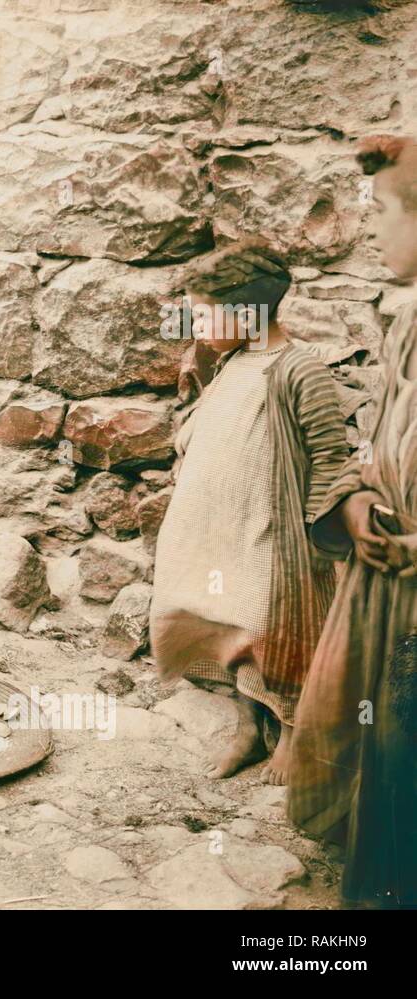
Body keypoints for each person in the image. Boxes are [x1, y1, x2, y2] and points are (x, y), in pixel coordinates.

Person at [150, 240, 350, 784]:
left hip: (273, 534)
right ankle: (247, 728)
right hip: (221, 530)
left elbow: (331, 455)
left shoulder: (299, 370)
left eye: (203, 315)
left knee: (274, 629)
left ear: (246, 312)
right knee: (224, 624)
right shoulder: (235, 361)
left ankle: (290, 730)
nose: (196, 328)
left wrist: (315, 536)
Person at [289, 134, 417, 908]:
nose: (367, 231)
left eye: (383, 212)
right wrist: (361, 496)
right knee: (396, 757)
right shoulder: (405, 326)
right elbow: (380, 440)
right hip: (397, 591)